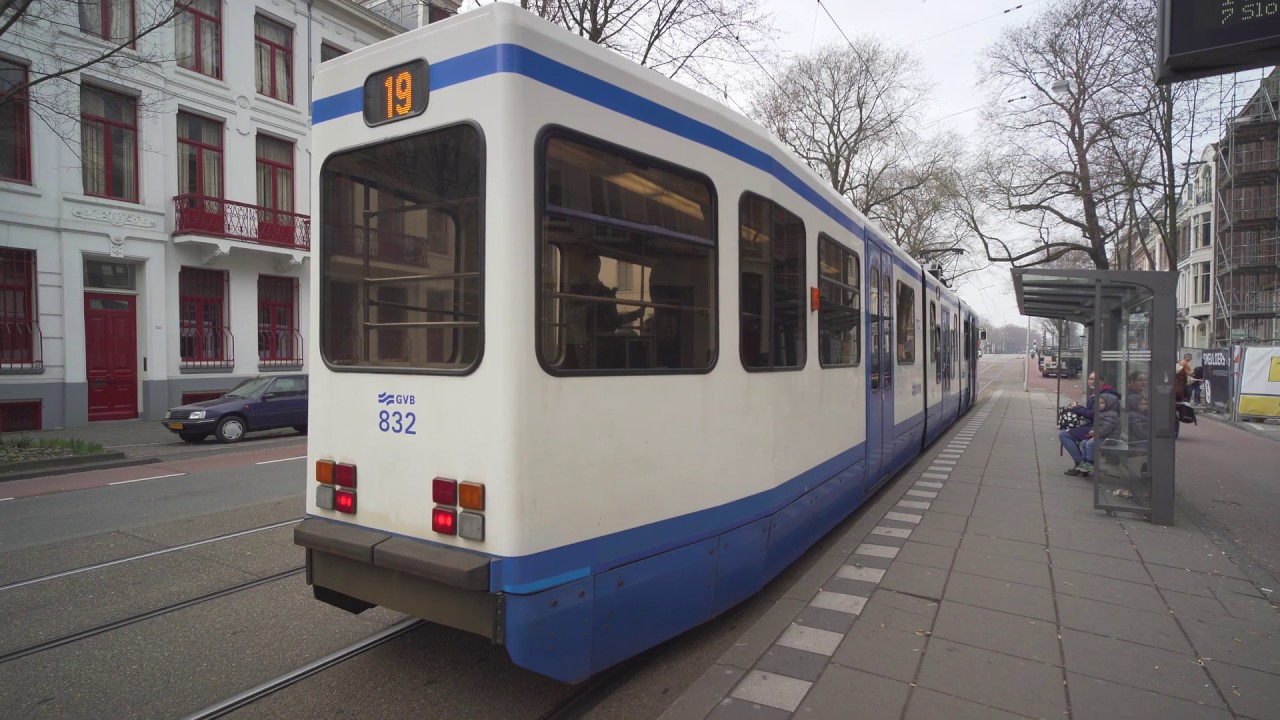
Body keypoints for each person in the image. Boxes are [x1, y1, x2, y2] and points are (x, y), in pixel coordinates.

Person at [563, 249, 644, 369]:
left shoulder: (604, 291)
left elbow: (614, 321)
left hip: (607, 344)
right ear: (584, 267)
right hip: (586, 343)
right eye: (591, 267)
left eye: (597, 267)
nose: (595, 271)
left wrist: (634, 314)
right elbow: (574, 316)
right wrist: (599, 303)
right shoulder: (576, 289)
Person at [1059, 372, 1119, 476]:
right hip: (1094, 425)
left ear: (1102, 382)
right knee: (1076, 438)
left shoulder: (1104, 395)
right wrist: (1080, 408)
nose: (1092, 382)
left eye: (1095, 380)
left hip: (1097, 427)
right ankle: (1083, 464)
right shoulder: (1097, 392)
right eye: (1090, 379)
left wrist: (1077, 409)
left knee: (1064, 435)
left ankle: (1080, 464)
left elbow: (1094, 414)